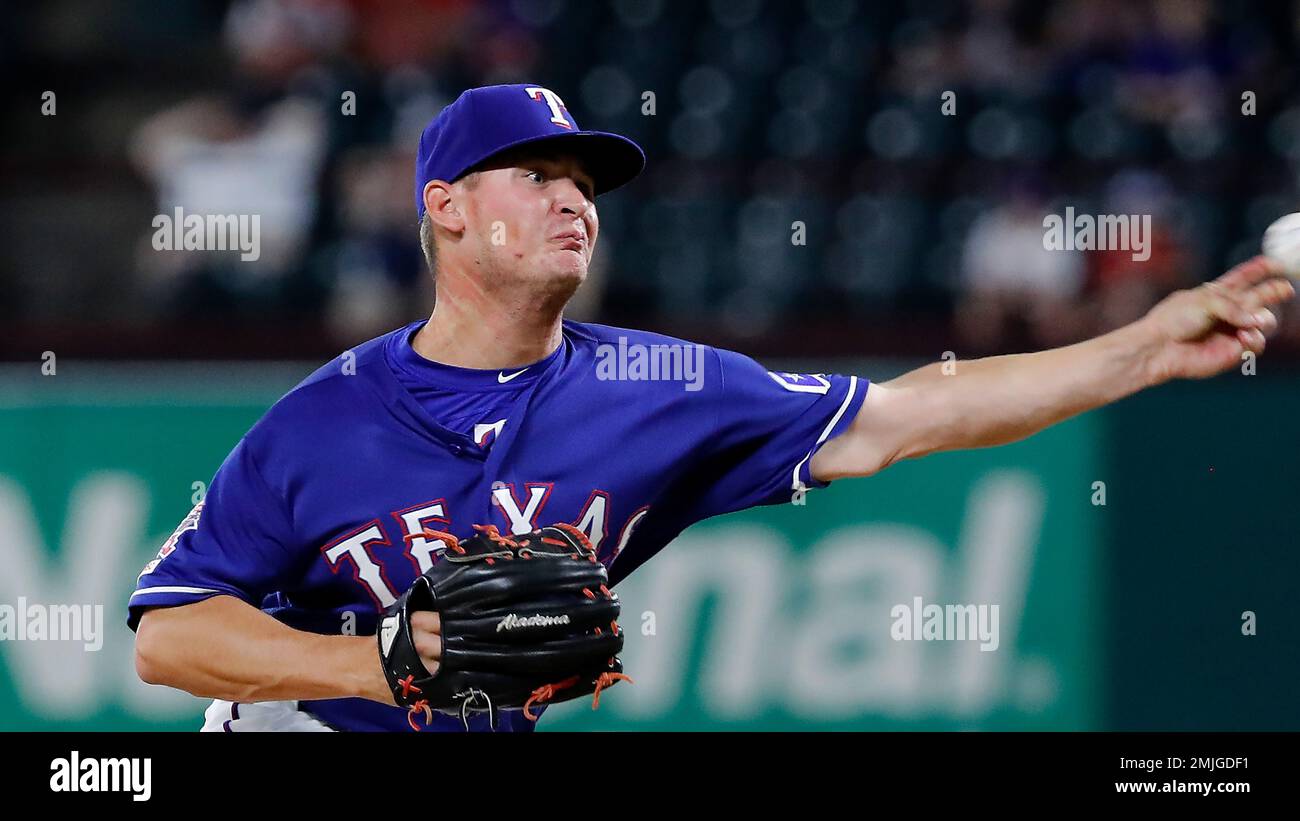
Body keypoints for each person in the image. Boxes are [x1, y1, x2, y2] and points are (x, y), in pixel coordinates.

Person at [128, 83, 1294, 732]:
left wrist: (1141, 346)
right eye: (536, 176)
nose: (571, 202)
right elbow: (168, 635)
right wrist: (377, 662)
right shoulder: (323, 417)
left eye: (584, 186)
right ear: (443, 206)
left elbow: (907, 416)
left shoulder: (658, 388)